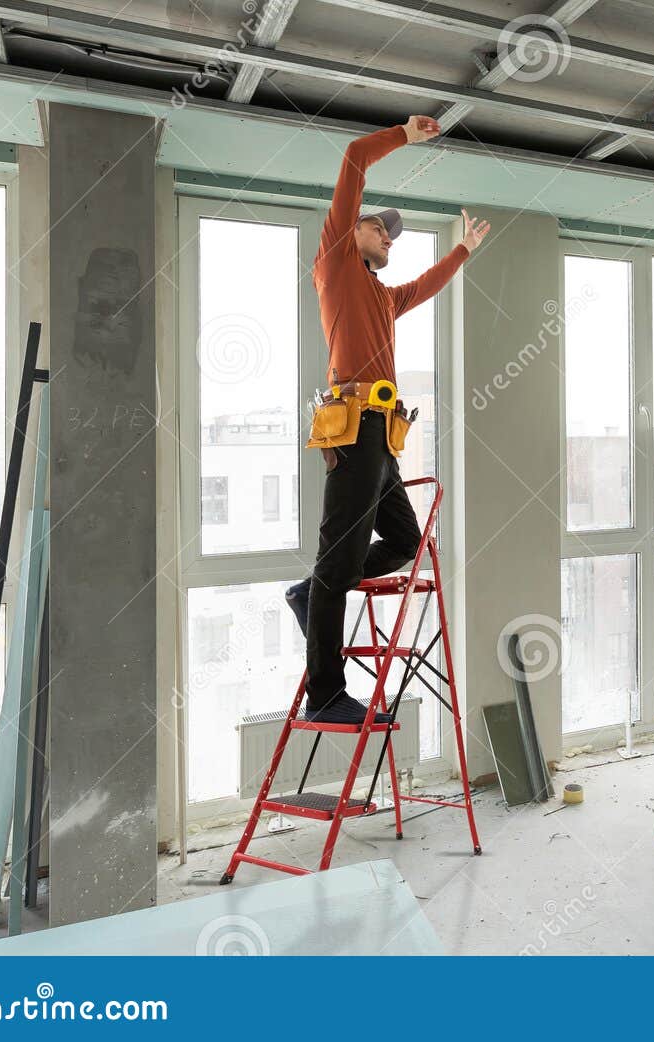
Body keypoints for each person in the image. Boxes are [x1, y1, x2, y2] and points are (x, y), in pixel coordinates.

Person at [284, 115, 490, 724]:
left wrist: (462, 251)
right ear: (356, 231)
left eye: (393, 236)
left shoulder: (381, 295)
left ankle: (314, 590)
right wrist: (404, 134)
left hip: (381, 433)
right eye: (382, 229)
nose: (390, 239)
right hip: (352, 428)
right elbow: (352, 157)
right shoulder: (336, 265)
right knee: (336, 564)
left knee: (403, 539)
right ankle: (325, 691)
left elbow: (422, 287)